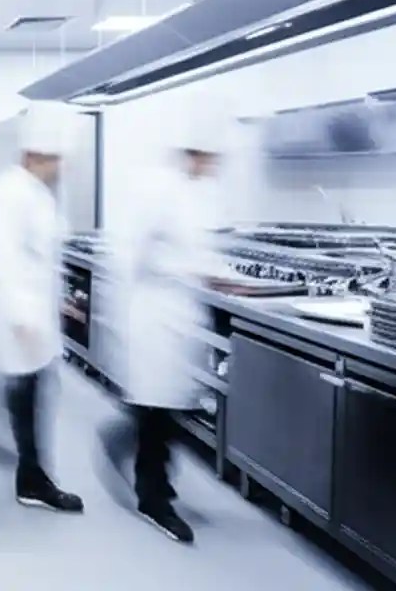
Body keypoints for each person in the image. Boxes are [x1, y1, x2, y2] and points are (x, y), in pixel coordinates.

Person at [98, 110, 231, 544]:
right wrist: (121, 319)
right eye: (211, 158)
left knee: (167, 407)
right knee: (157, 410)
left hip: (178, 315)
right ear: (196, 153)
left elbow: (193, 250)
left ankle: (151, 475)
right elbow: (128, 255)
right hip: (153, 314)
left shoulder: (194, 193)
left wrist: (216, 274)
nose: (214, 168)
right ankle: (153, 498)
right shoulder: (156, 188)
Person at [0, 103, 84, 513]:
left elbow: (44, 257)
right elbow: (1, 257)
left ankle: (30, 471)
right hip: (19, 315)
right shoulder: (8, 191)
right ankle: (32, 478)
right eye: (54, 159)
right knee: (27, 394)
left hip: (35, 313)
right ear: (35, 155)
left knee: (33, 393)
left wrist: (60, 305)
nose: (58, 167)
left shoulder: (37, 193)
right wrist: (23, 316)